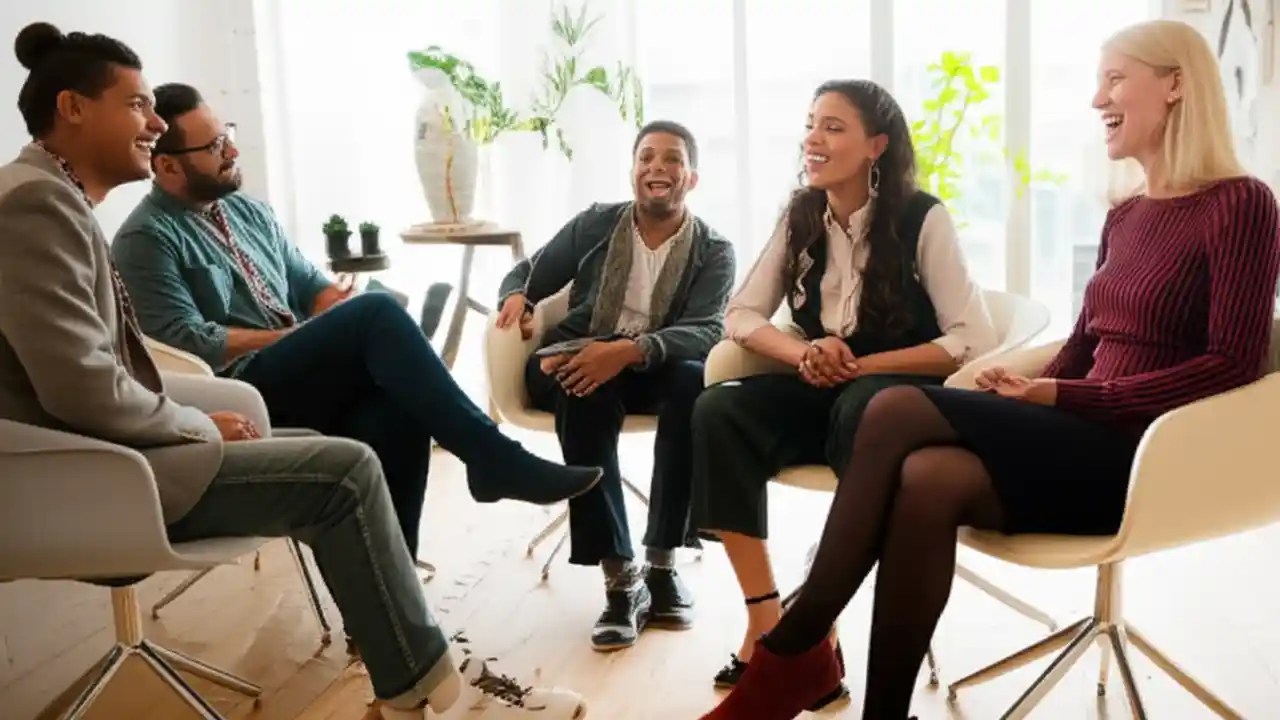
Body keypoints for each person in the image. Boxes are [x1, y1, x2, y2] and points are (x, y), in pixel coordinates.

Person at [0, 22, 589, 720]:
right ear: (73, 108)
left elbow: (107, 370)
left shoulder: (59, 199)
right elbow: (85, 386)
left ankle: (407, 657)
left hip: (132, 449)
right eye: (137, 106)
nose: (152, 125)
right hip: (105, 474)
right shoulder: (41, 207)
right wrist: (195, 423)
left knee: (385, 410)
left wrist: (321, 324)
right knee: (347, 461)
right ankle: (438, 673)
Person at [702, 19, 1280, 720]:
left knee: (890, 407)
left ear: (1176, 85)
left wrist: (1064, 394)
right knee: (927, 477)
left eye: (1115, 80)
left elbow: (1230, 365)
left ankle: (792, 650)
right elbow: (1087, 342)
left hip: (1145, 457)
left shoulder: (1241, 204)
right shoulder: (1127, 216)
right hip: (1080, 435)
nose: (1097, 99)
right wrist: (1032, 387)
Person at [111, 82, 602, 559]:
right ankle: (493, 458)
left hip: (295, 376)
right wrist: (303, 335)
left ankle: (395, 583)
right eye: (215, 146)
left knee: (395, 408)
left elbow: (311, 287)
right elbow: (187, 341)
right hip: (238, 392)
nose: (232, 151)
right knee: (376, 315)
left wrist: (336, 310)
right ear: (167, 165)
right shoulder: (145, 239)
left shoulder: (249, 212)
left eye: (228, 136)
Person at [689, 79, 996, 697]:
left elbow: (971, 337)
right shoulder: (801, 214)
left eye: (833, 127)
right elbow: (741, 314)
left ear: (876, 146)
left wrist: (861, 364)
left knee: (864, 408)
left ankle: (815, 620)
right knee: (718, 411)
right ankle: (767, 621)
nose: (814, 138)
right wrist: (805, 353)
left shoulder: (921, 217)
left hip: (897, 394)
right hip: (820, 379)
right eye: (811, 124)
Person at [494, 120, 735, 651]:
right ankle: (621, 581)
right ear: (633, 171)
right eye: (646, 157)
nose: (657, 167)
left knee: (695, 385)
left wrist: (628, 351)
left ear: (691, 178)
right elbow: (530, 271)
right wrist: (517, 296)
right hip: (581, 350)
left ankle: (662, 566)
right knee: (579, 386)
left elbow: (706, 329)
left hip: (655, 364)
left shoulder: (714, 249)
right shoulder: (595, 224)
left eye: (672, 159)